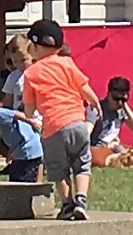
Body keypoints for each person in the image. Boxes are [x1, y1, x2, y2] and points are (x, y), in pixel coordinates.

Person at [22, 21, 100, 222]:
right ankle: (81, 201)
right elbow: (84, 87)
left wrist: (31, 116)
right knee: (82, 163)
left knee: (58, 168)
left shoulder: (31, 73)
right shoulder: (67, 63)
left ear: (36, 46)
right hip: (77, 122)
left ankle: (67, 204)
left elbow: (29, 109)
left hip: (53, 128)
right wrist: (95, 102)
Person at [0, 33, 46, 183]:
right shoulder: (13, 77)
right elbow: (8, 101)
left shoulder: (37, 73)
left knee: (38, 152)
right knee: (21, 147)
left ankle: (38, 180)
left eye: (24, 60)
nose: (20, 65)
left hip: (37, 118)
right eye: (15, 62)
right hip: (20, 119)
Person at [91, 77, 133, 168]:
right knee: (107, 155)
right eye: (116, 99)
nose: (119, 103)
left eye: (123, 99)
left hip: (118, 147)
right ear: (109, 94)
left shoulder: (121, 110)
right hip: (101, 149)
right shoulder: (97, 109)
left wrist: (125, 106)